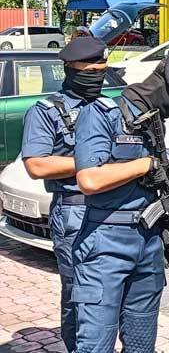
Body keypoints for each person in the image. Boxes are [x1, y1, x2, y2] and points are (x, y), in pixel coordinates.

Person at [72, 51, 169, 352]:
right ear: (164, 89)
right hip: (105, 244)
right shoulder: (103, 114)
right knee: (96, 344)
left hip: (147, 246)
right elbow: (89, 180)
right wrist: (145, 166)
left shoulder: (153, 125)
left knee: (141, 344)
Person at [20, 36, 109, 353]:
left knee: (108, 292)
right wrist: (92, 164)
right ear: (71, 69)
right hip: (74, 210)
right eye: (91, 68)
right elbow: (37, 165)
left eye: (103, 67)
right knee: (79, 292)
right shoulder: (46, 111)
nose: (98, 73)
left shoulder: (106, 107)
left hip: (110, 209)